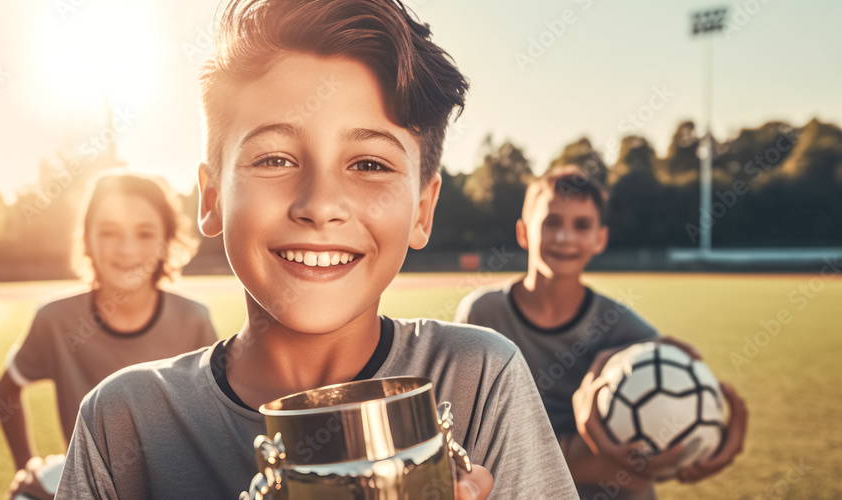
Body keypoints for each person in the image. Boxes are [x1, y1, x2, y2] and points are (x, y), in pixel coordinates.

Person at [57, 1, 578, 498]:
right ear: (212, 197)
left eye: (370, 165)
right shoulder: (124, 418)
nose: (321, 205)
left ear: (422, 209)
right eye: (276, 159)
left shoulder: (478, 379)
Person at [455, 166, 748, 499]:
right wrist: (589, 445)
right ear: (523, 233)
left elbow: (658, 450)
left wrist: (700, 450)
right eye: (552, 223)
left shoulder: (628, 332)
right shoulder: (483, 313)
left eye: (582, 225)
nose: (565, 237)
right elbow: (469, 438)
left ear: (600, 238)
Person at [0, 172, 218, 499]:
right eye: (109, 232)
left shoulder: (193, 320)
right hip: (90, 481)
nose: (127, 249)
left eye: (144, 233)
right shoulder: (55, 320)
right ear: (87, 239)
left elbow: (215, 423)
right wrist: (26, 466)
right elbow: (6, 391)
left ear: (167, 241)